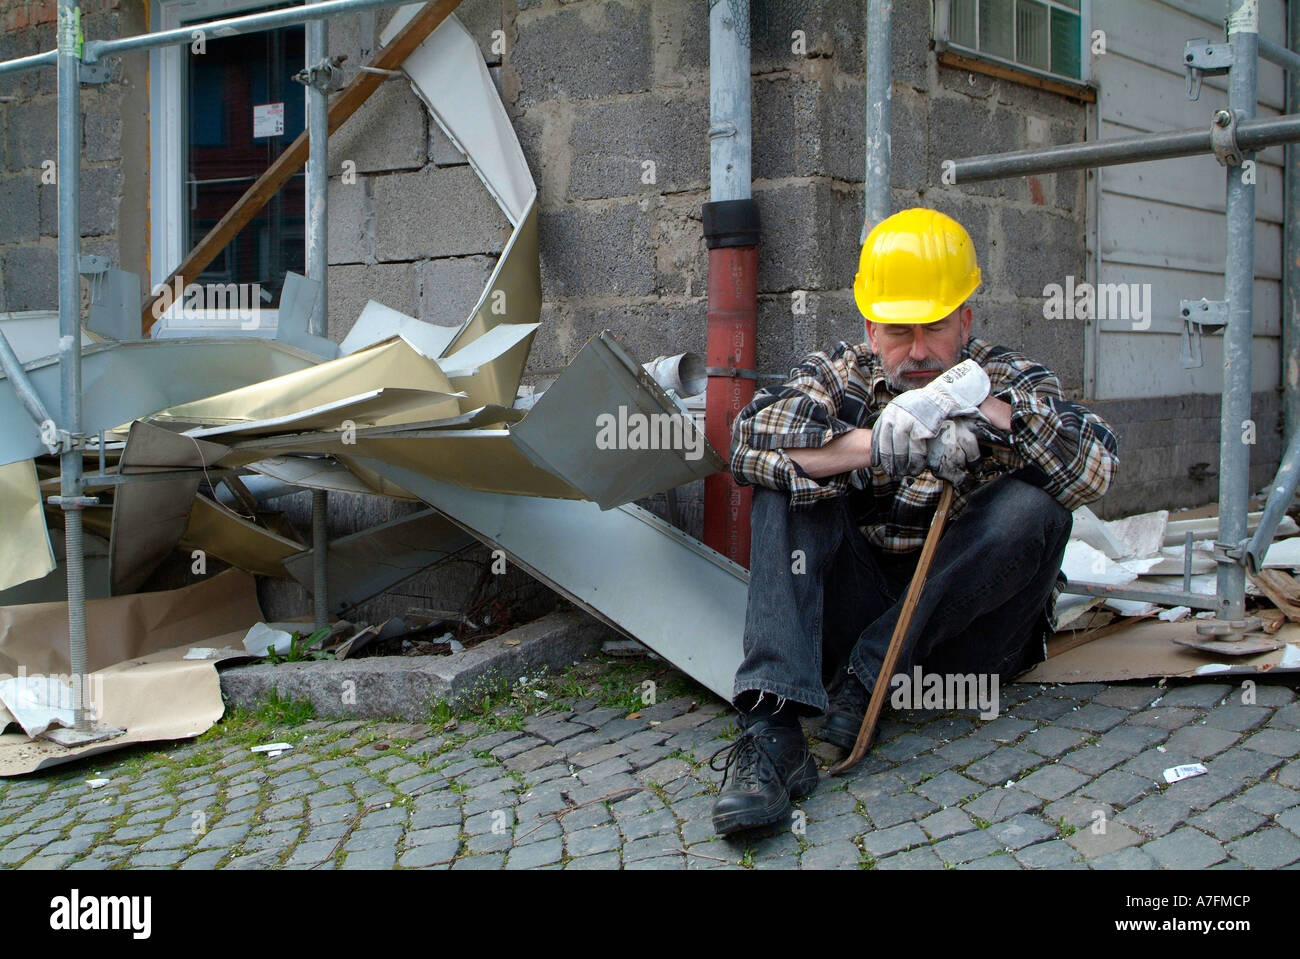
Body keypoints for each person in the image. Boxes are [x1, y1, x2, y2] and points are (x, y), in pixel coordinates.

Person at [709, 207, 1120, 837]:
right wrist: (871, 445)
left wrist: (980, 409)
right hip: (858, 609)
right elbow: (748, 442)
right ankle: (772, 732)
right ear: (872, 330)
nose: (920, 350)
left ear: (966, 320)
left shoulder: (1006, 377)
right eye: (900, 332)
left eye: (936, 328)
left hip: (968, 639)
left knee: (1034, 508)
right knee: (785, 486)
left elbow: (1093, 467)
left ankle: (873, 676)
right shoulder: (838, 375)